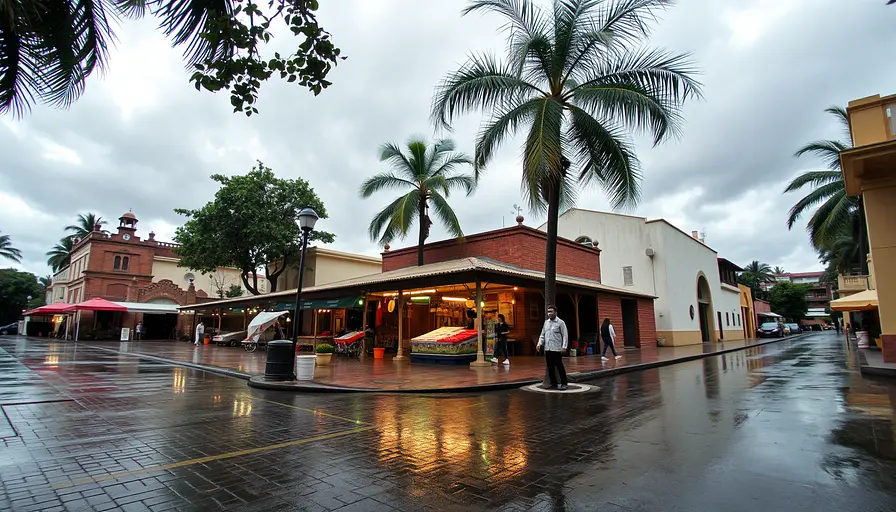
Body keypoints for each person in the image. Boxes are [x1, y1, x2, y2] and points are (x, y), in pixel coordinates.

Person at [537, 305, 569, 390]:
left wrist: (564, 347)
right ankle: (553, 383)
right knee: (550, 367)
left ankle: (564, 382)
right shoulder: (546, 323)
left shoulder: (560, 322)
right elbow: (542, 334)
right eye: (548, 311)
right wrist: (539, 344)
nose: (549, 313)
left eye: (551, 311)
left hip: (557, 349)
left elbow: (565, 335)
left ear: (555, 312)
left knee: (559, 366)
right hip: (548, 348)